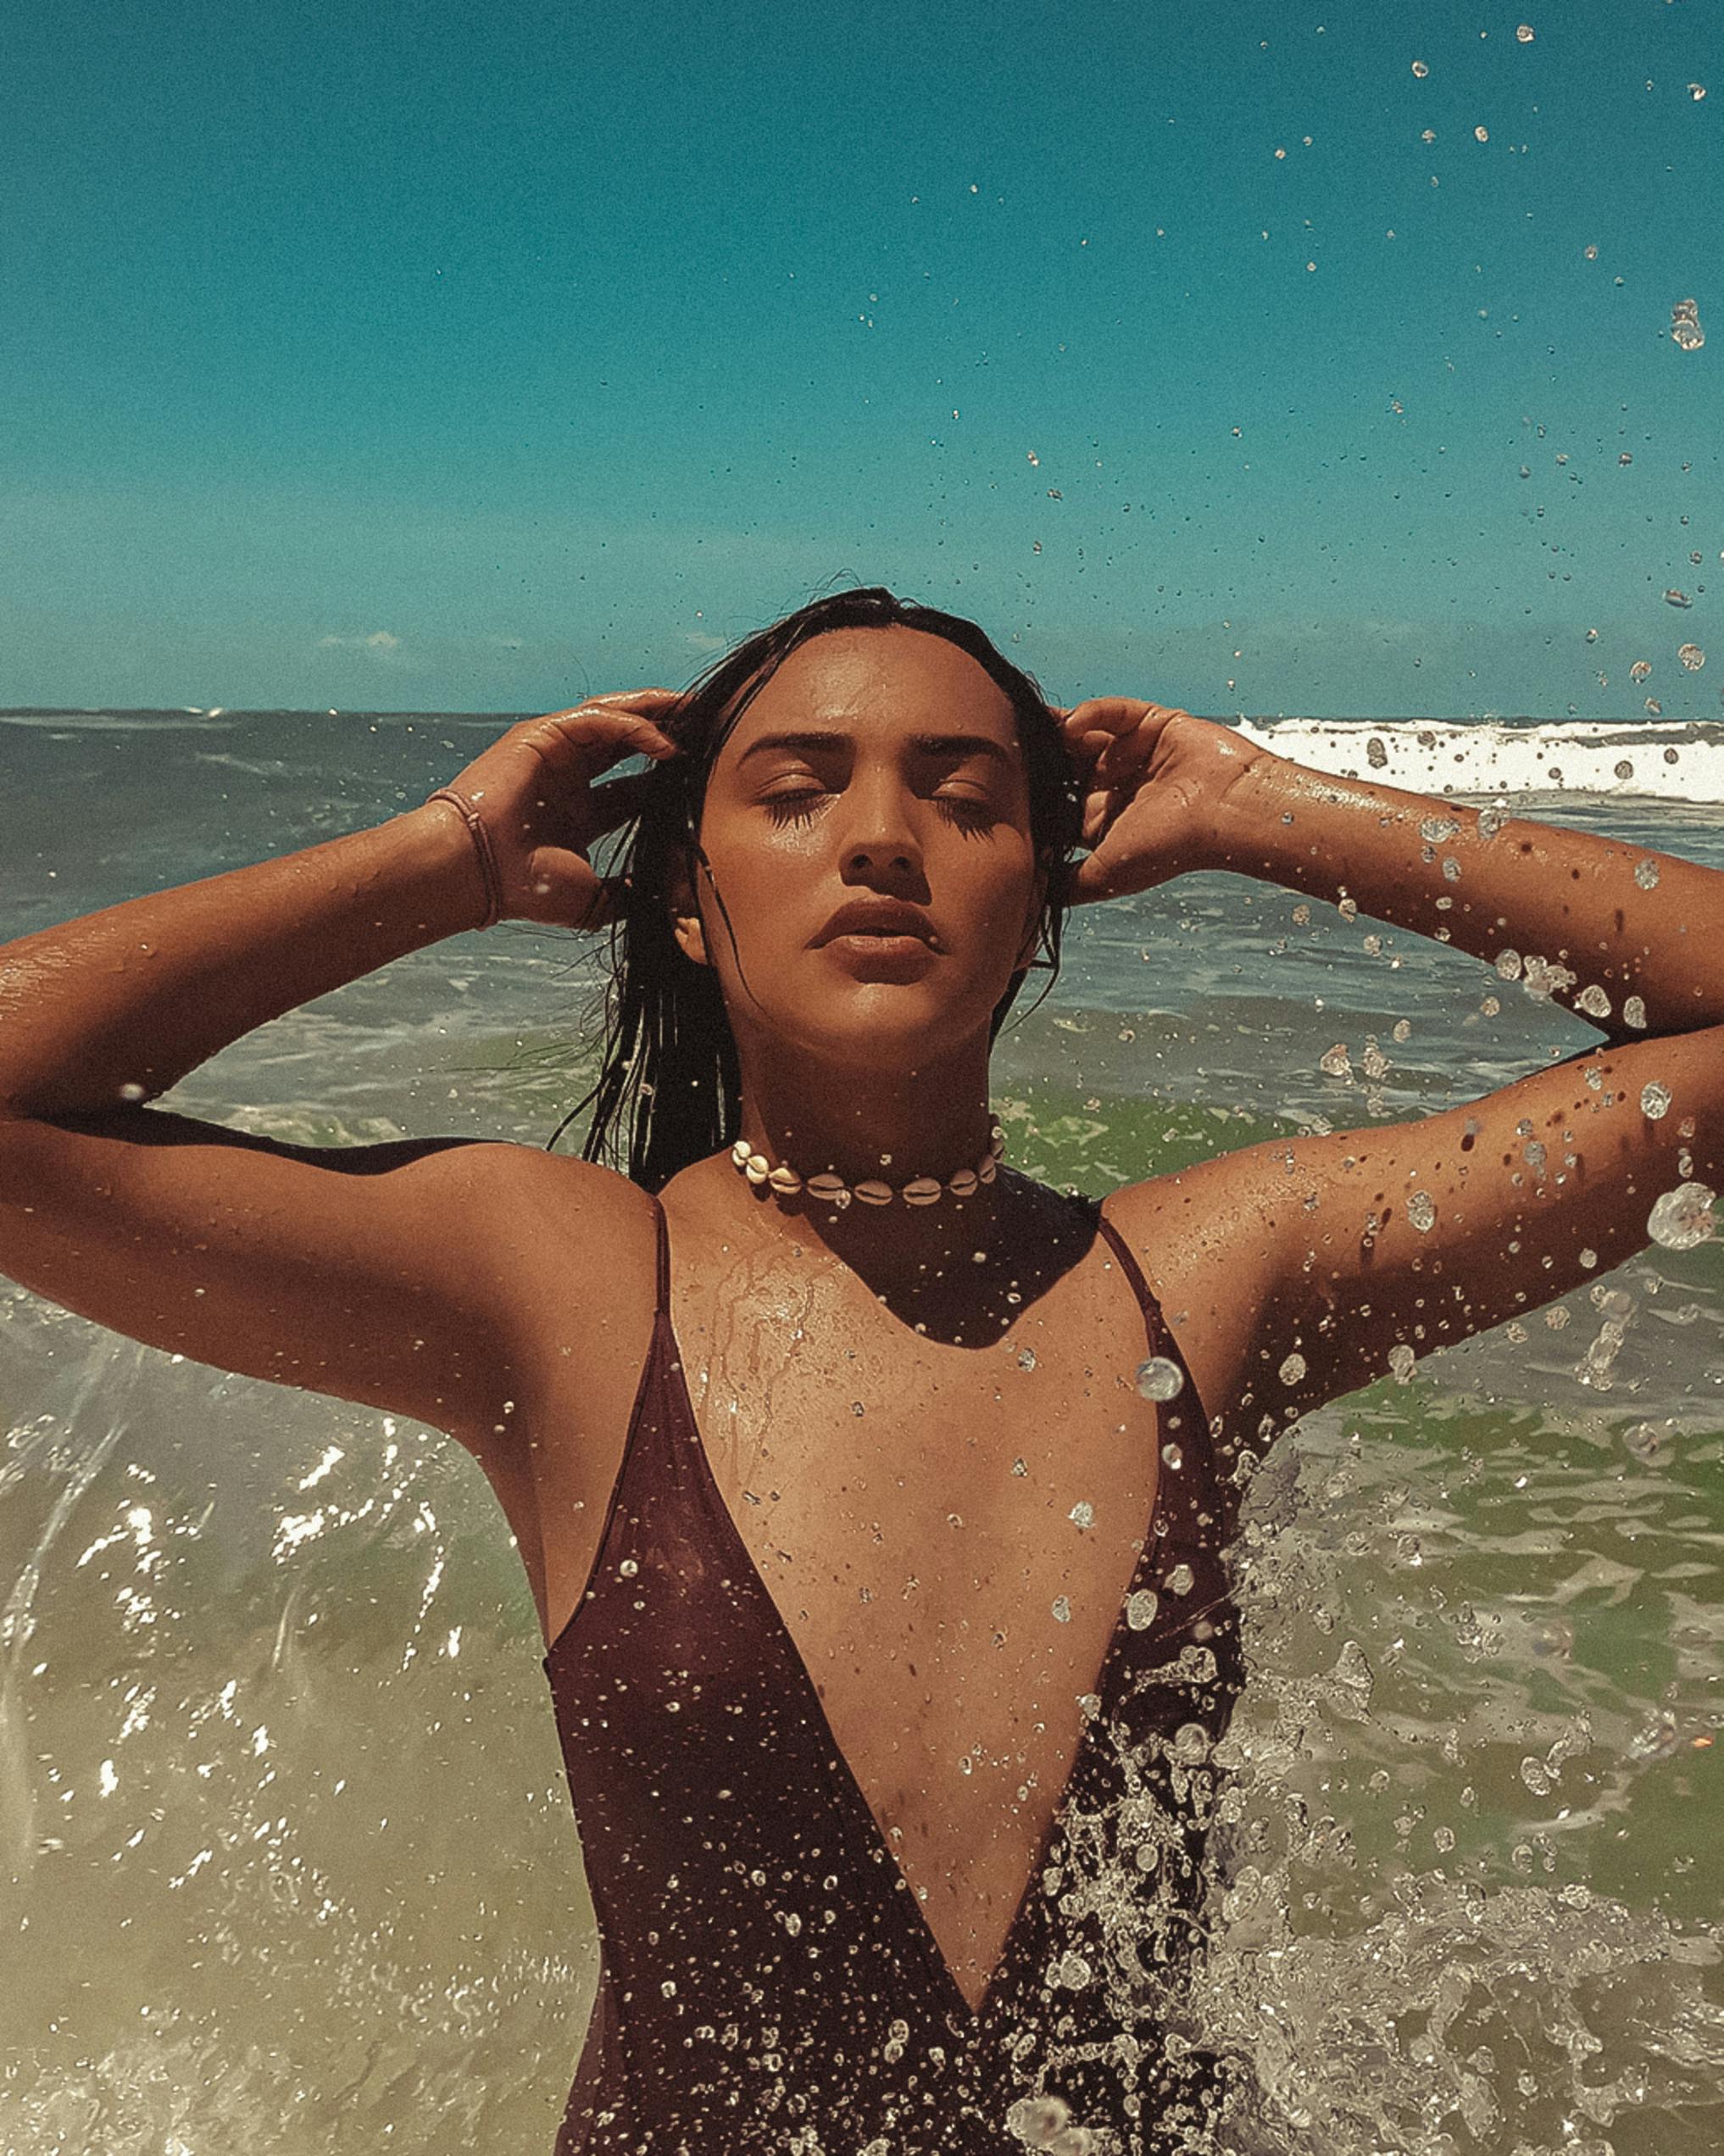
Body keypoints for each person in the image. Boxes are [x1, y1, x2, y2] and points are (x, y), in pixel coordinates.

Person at [0, 585, 1717, 2156]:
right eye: (799, 791)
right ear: (688, 897)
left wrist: (1265, 811)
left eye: (970, 800)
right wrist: (446, 857)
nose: (884, 839)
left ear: (1042, 901)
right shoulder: (569, 1289)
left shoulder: (1204, 1286)